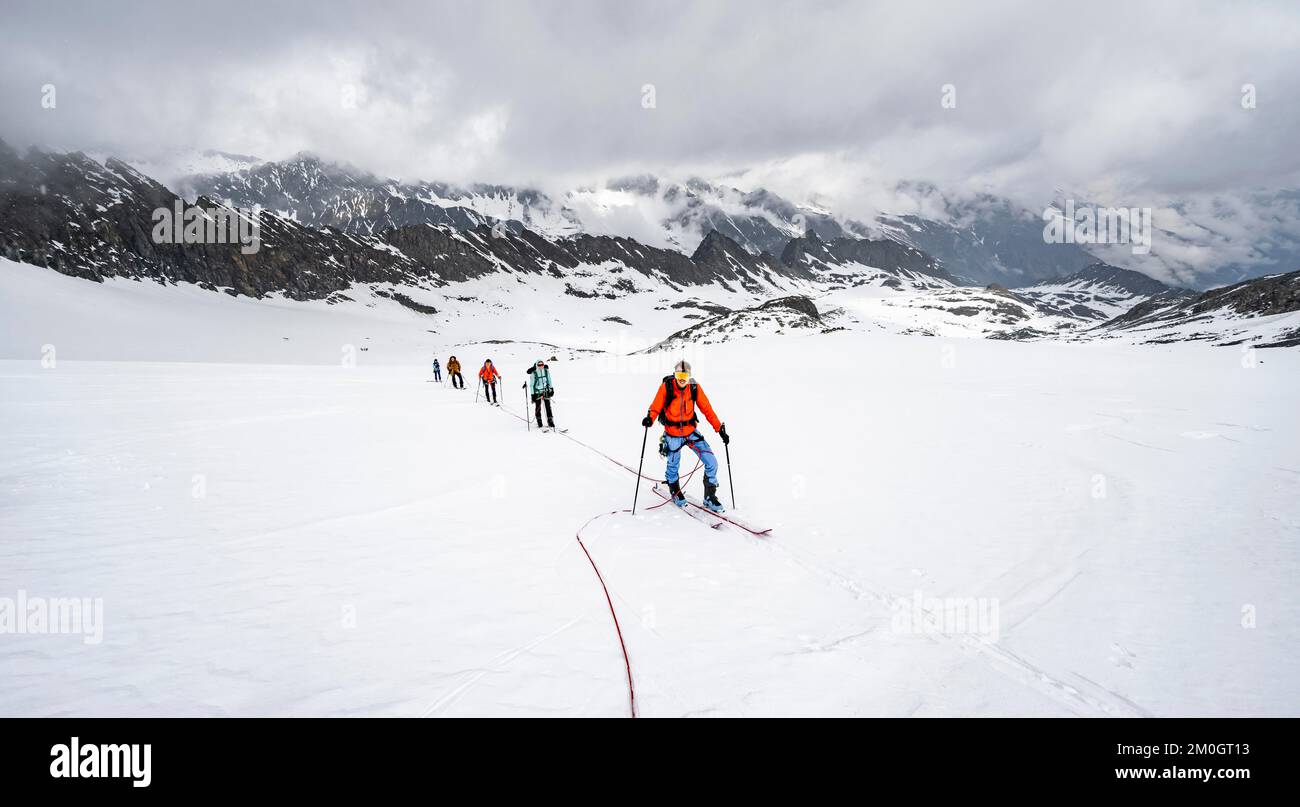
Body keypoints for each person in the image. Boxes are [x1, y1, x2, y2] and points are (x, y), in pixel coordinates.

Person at [641, 360, 729, 512]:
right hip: (673, 434)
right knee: (673, 465)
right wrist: (650, 418)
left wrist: (719, 428)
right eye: (679, 375)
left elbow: (707, 409)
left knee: (712, 462)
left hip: (691, 432)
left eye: (685, 375)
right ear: (675, 375)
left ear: (689, 376)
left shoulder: (694, 388)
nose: (682, 378)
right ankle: (675, 491)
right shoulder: (666, 387)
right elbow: (656, 406)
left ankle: (709, 497)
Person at [524, 359, 556, 430]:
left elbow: (549, 380)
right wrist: (533, 395)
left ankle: (550, 420)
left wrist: (551, 389)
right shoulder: (534, 373)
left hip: (546, 391)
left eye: (542, 365)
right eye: (539, 365)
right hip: (537, 392)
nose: (541, 366)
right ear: (537, 365)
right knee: (538, 407)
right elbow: (532, 385)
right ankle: (539, 420)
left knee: (548, 406)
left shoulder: (546, 371)